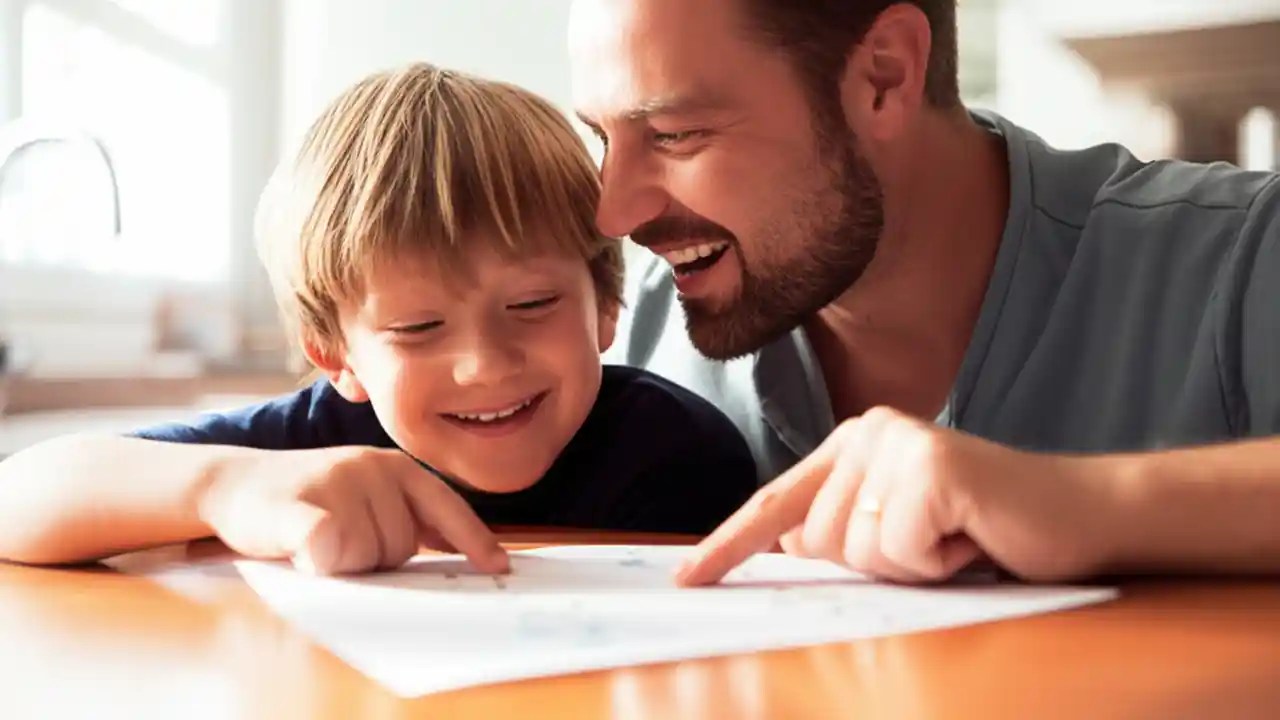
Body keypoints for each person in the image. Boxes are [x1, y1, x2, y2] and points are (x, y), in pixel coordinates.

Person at [566, 0, 1280, 585]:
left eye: (673, 134)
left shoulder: (1243, 255)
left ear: (884, 75)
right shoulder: (640, 332)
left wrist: (1081, 503)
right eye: (602, 139)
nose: (613, 216)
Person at [0, 63, 757, 575]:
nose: (485, 365)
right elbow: (17, 500)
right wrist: (221, 486)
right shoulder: (310, 447)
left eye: (532, 305)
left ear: (606, 309)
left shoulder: (679, 455)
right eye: (418, 329)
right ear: (337, 357)